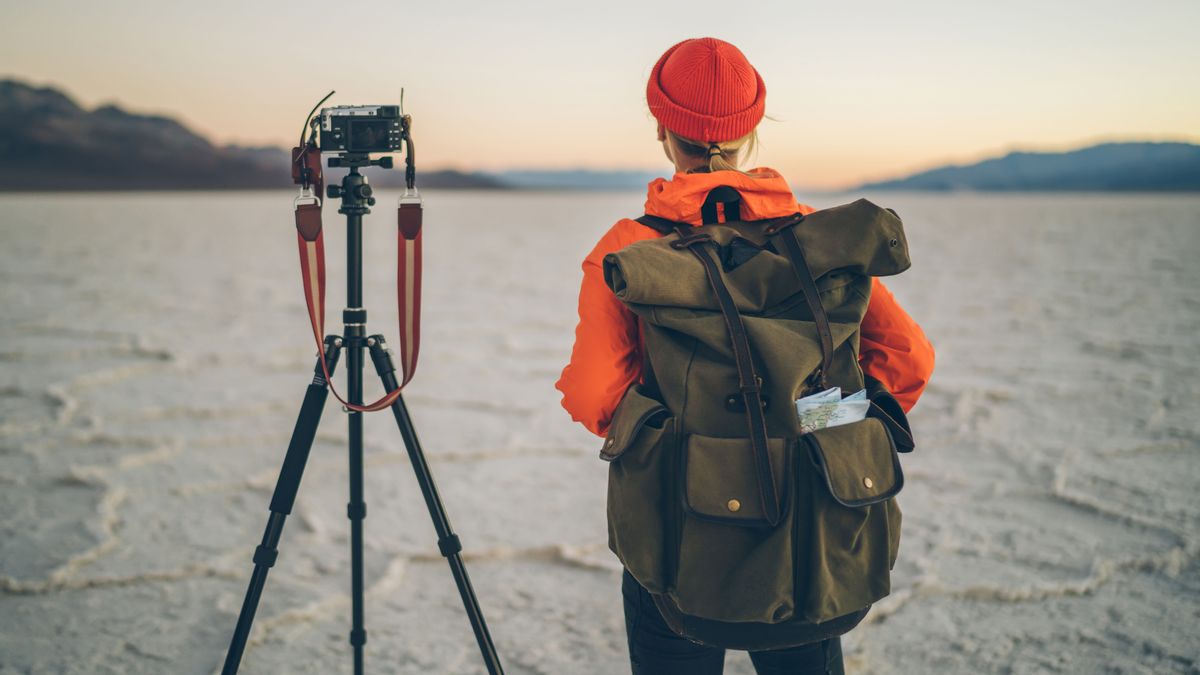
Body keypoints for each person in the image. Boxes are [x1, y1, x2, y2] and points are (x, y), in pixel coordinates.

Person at [555, 37, 935, 675]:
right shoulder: (820, 240)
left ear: (662, 128)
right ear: (752, 129)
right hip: (811, 523)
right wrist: (811, 421)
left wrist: (689, 436)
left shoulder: (629, 249)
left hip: (678, 532)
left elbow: (595, 391)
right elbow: (908, 358)